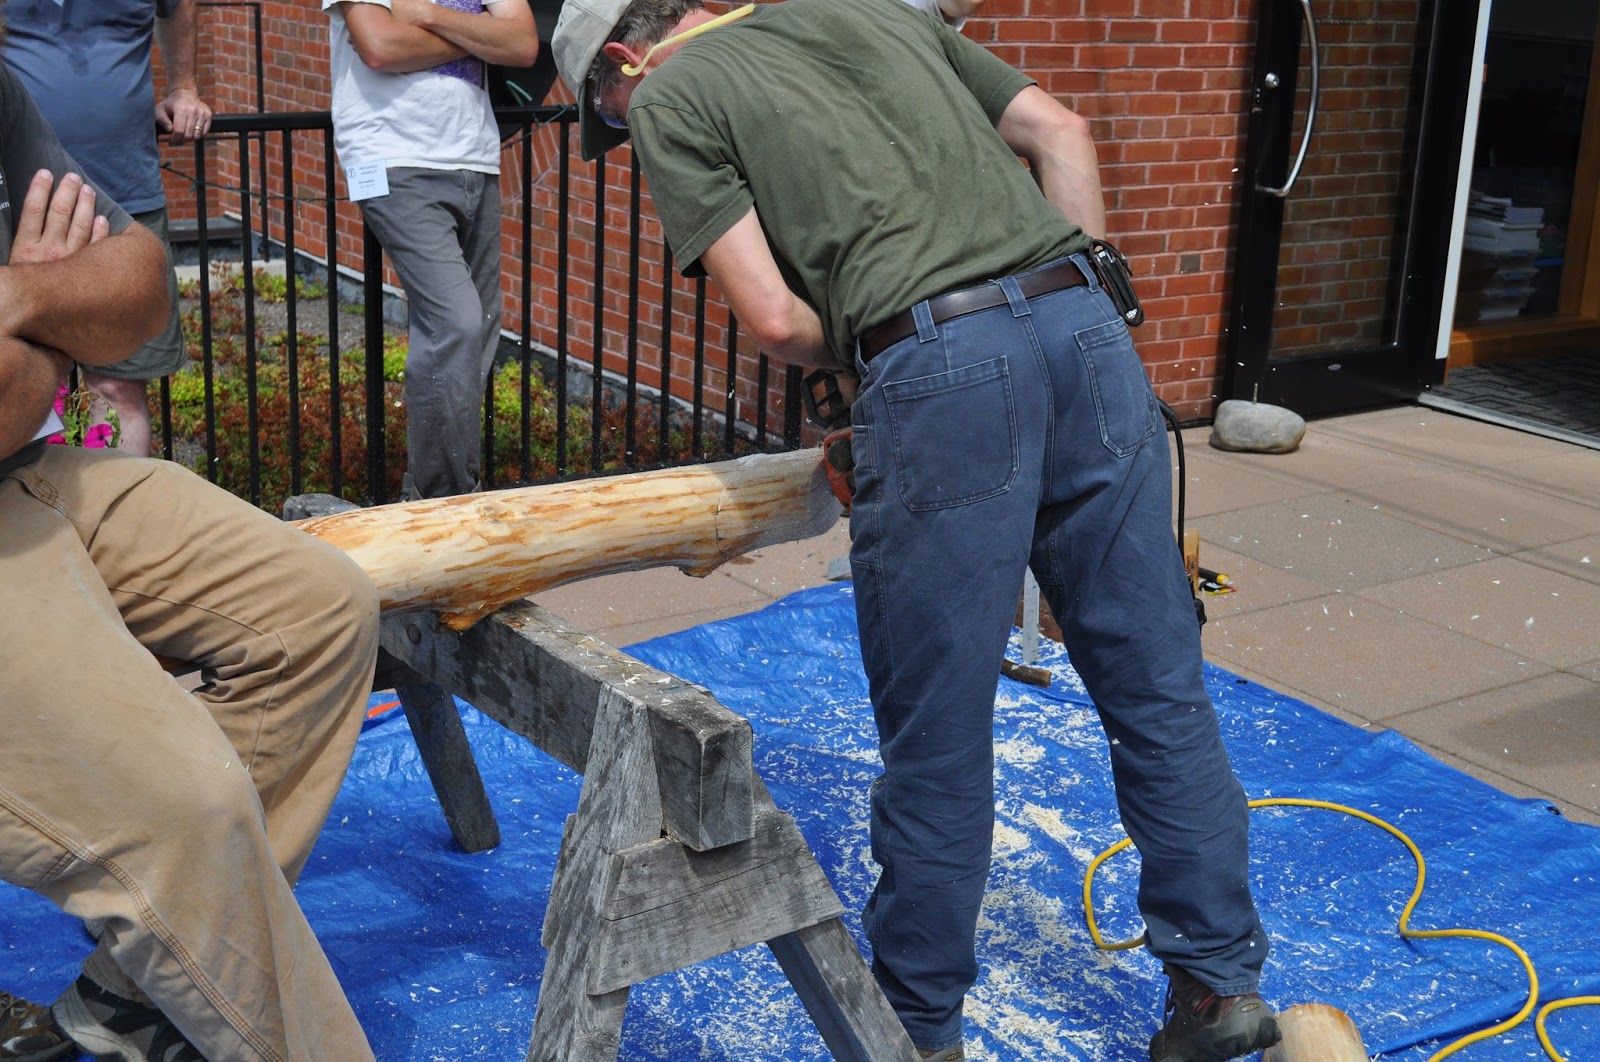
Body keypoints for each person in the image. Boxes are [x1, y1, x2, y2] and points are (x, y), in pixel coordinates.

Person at [550, 0, 1281, 1059]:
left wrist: (886, 379)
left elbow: (775, 319)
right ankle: (1219, 990)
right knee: (1157, 685)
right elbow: (1059, 133)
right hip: (1084, 319)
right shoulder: (870, 7)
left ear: (625, 57)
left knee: (937, 733)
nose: (624, 128)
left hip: (939, 364)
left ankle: (914, 1031)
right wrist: (1083, 323)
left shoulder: (674, 92)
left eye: (607, 112)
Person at [0, 46, 381, 1062]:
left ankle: (137, 991)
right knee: (187, 804)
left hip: (31, 466)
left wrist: (25, 304)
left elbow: (137, 293)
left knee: (318, 607)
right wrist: (44, 299)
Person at [323, 0, 538, 499]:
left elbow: (523, 44)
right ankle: (440, 502)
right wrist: (481, 35)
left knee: (478, 327)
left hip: (475, 157)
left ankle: (442, 489)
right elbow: (380, 47)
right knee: (455, 323)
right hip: (393, 156)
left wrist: (430, 16)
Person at [2, 0, 212, 459]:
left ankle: (113, 515)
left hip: (121, 191)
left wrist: (184, 86)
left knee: (117, 389)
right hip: (17, 203)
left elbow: (177, 7)